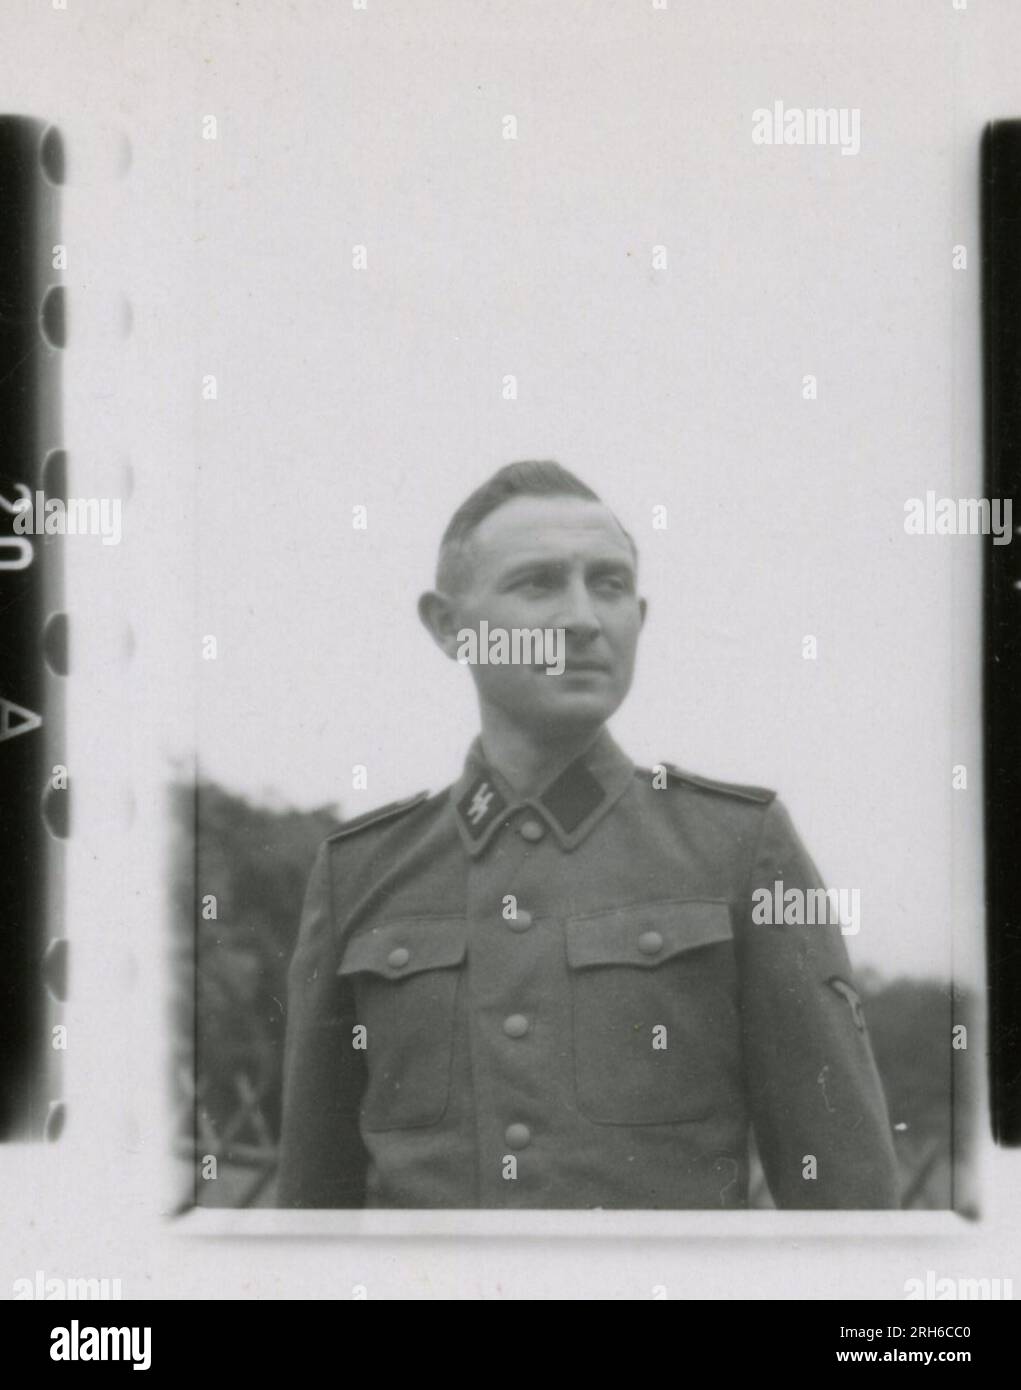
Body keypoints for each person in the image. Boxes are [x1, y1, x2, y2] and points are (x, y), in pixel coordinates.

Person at [277, 460, 901, 1209]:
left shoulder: (738, 849)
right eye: (537, 583)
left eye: (607, 585)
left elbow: (847, 1199)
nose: (582, 617)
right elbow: (312, 1213)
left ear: (639, 616)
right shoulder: (363, 872)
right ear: (449, 628)